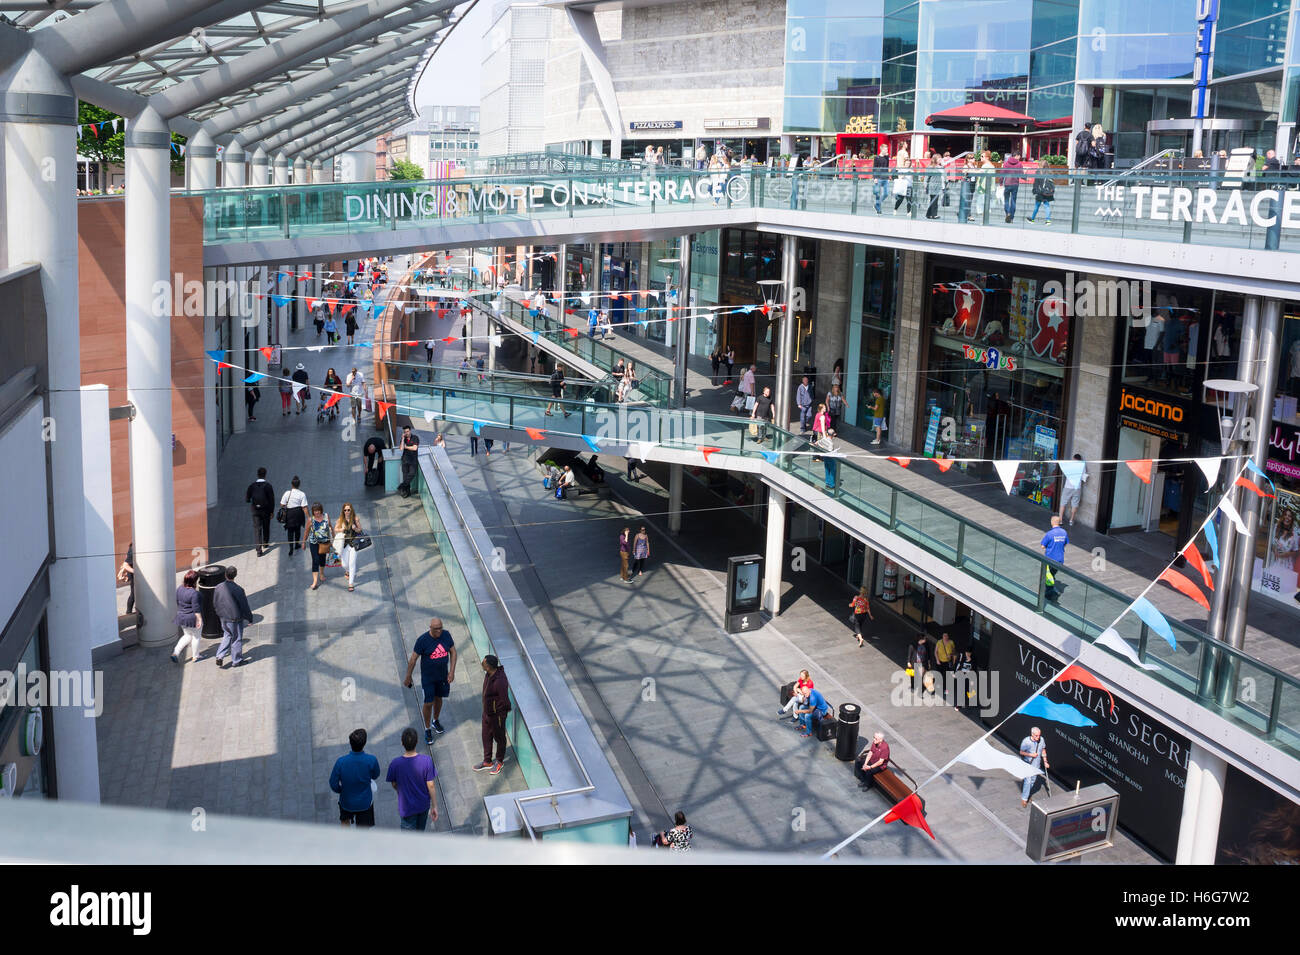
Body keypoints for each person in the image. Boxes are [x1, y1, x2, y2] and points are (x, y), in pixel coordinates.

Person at [403, 618, 457, 745]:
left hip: (442, 677)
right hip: (428, 679)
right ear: (430, 628)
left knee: (439, 699)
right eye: (436, 629)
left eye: (440, 628)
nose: (439, 631)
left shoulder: (446, 635)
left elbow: (453, 652)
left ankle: (435, 721)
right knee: (428, 703)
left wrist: (452, 671)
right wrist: (408, 676)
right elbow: (413, 659)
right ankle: (427, 728)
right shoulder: (422, 640)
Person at [387, 727, 438, 831]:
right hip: (423, 805)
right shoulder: (427, 761)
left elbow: (394, 783)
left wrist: (400, 790)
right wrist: (435, 806)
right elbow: (431, 785)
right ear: (417, 742)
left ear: (402, 742)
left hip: (407, 808)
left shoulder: (395, 764)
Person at [329, 728, 381, 828]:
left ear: (350, 743)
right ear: (364, 743)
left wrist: (341, 790)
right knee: (363, 829)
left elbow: (333, 784)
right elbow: (375, 775)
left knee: (344, 822)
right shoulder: (371, 760)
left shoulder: (341, 762)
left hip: (346, 801)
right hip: (365, 802)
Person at [473, 654, 511, 774]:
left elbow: (505, 700)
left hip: (497, 715)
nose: (482, 663)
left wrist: (500, 713)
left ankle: (499, 761)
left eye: (484, 662)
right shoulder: (489, 674)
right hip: (487, 713)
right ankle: (487, 761)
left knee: (500, 738)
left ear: (488, 666)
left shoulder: (499, 681)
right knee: (486, 736)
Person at [213, 565, 253, 669]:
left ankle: (220, 655)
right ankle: (237, 660)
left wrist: (219, 613)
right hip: (235, 619)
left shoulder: (218, 587)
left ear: (225, 574)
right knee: (236, 638)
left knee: (227, 635)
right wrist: (249, 618)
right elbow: (244, 605)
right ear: (235, 575)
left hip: (223, 617)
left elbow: (215, 602)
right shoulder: (238, 589)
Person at [170, 570, 203, 663]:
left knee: (187, 635)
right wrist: (199, 620)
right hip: (192, 618)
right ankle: (195, 656)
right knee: (196, 637)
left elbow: (177, 602)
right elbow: (196, 609)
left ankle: (176, 652)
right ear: (194, 581)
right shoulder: (194, 593)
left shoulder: (179, 588)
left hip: (181, 617)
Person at [333, 502, 364, 592]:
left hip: (354, 544)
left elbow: (360, 530)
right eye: (345, 510)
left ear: (351, 510)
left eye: (348, 510)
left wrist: (355, 528)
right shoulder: (340, 520)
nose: (347, 511)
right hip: (344, 544)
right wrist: (341, 529)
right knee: (344, 564)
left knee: (352, 564)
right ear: (343, 511)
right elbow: (335, 529)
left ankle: (351, 583)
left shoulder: (355, 519)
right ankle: (347, 571)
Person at [245, 466, 275, 557]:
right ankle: (265, 543)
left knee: (257, 529)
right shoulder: (268, 486)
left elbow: (247, 499)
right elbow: (272, 500)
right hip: (265, 511)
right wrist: (271, 511)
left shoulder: (252, 486)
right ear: (265, 475)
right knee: (266, 526)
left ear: (257, 475)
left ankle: (259, 550)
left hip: (255, 511)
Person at [1040, 514, 1069, 601]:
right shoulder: (1064, 532)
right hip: (1060, 559)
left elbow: (1042, 546)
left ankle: (1050, 594)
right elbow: (1066, 543)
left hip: (1050, 559)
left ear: (1052, 522)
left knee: (1048, 576)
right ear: (1059, 523)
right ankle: (1050, 590)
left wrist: (1049, 548)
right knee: (1052, 574)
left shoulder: (1049, 534)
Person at [1019, 726, 1049, 806]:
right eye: (1036, 735)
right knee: (1028, 781)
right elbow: (1021, 752)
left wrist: (1045, 761)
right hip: (1028, 764)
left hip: (1036, 765)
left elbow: (1043, 750)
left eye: (1039, 735)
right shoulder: (1026, 741)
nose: (1038, 737)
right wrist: (1031, 754)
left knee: (1032, 781)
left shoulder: (1041, 740)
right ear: (1032, 734)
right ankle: (1024, 799)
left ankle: (1027, 793)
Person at [280, 475, 309, 555]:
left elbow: (282, 504)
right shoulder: (302, 494)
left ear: (292, 485)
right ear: (299, 485)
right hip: (298, 513)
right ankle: (296, 544)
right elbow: (304, 507)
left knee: (290, 531)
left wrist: (287, 505)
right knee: (297, 529)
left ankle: (291, 548)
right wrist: (308, 517)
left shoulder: (287, 493)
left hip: (289, 513)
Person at [307, 502, 332, 591]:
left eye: (318, 511)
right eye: (315, 511)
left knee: (322, 559)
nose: (317, 513)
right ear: (313, 512)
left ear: (321, 510)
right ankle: (315, 581)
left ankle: (321, 573)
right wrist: (303, 542)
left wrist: (333, 537)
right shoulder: (311, 519)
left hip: (324, 542)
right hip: (313, 542)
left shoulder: (326, 516)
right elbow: (306, 531)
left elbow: (330, 527)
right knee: (315, 560)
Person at [1059, 453, 1088, 526]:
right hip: (1077, 487)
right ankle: (1071, 520)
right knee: (1075, 504)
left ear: (1074, 458)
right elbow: (1083, 476)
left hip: (1068, 486)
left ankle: (1060, 520)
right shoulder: (1083, 465)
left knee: (1063, 503)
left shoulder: (1070, 464)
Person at [933, 631, 956, 701]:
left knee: (946, 676)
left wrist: (951, 654)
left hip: (947, 662)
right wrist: (937, 660)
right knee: (938, 675)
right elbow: (935, 651)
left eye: (946, 636)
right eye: (944, 636)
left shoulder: (951, 643)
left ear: (948, 636)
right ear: (942, 637)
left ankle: (946, 689)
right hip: (939, 662)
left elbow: (954, 652)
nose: (945, 637)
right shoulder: (939, 642)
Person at [1001, 151, 1023, 222]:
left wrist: (1001, 182)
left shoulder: (1006, 163)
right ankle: (1011, 218)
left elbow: (1002, 173)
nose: (1020, 157)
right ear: (1016, 156)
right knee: (1013, 201)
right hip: (1015, 184)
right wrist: (1026, 177)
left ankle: (1008, 213)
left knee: (1006, 200)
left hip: (1007, 183)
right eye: (1019, 156)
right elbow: (1021, 175)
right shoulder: (1019, 164)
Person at [117, 543, 137, 617]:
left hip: (139, 575)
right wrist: (137, 572)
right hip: (134, 575)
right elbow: (126, 565)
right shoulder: (133, 548)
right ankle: (128, 613)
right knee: (134, 594)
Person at [399, 424, 420, 495]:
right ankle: (407, 492)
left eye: (408, 431)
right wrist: (402, 439)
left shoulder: (415, 438)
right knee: (405, 476)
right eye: (405, 432)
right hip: (405, 460)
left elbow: (415, 448)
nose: (407, 433)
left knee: (412, 474)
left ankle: (402, 486)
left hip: (413, 460)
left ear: (410, 431)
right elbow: (401, 448)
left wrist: (406, 447)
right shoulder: (404, 439)